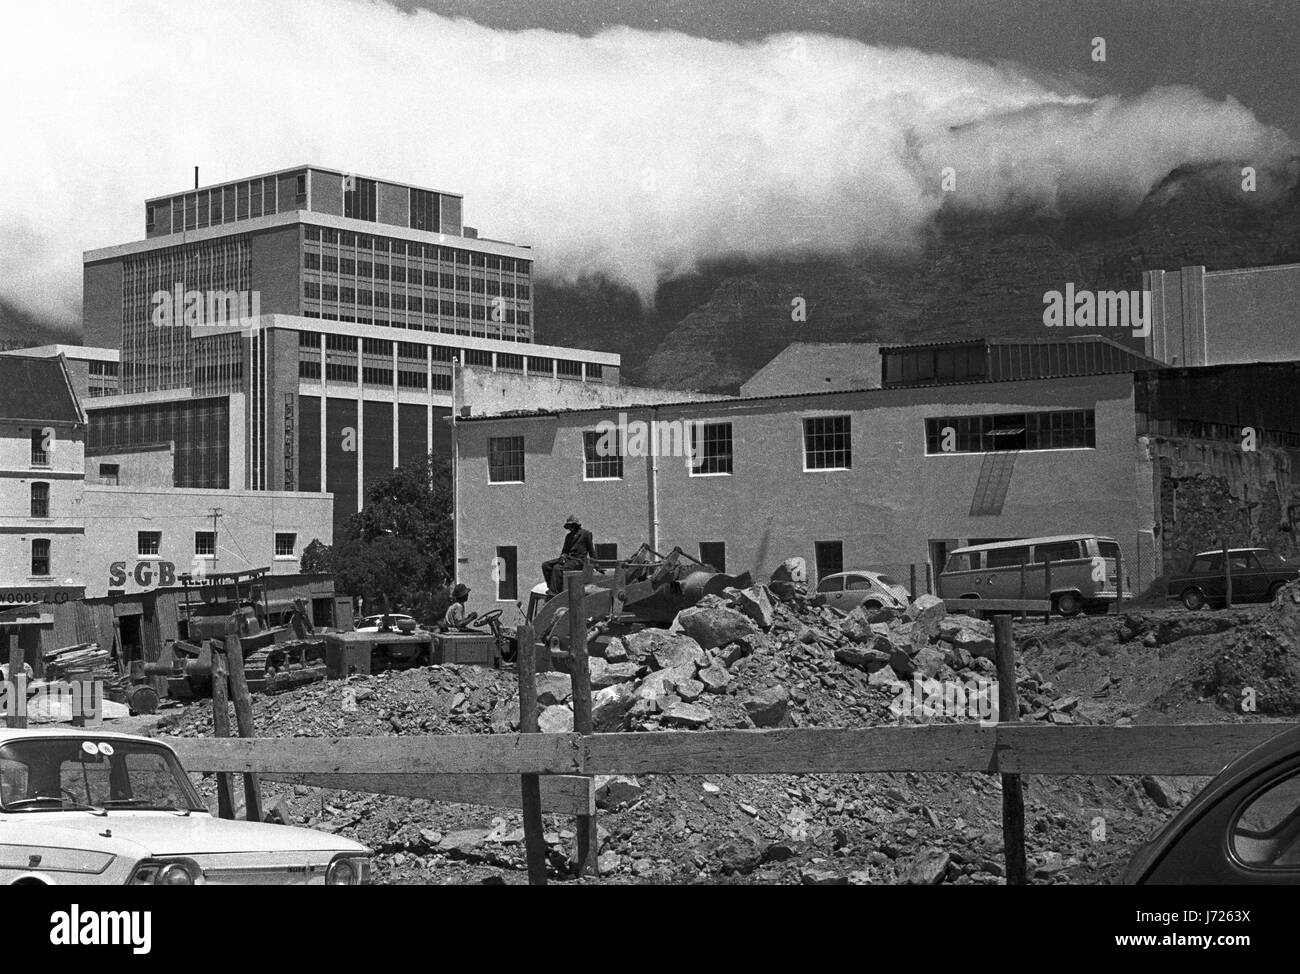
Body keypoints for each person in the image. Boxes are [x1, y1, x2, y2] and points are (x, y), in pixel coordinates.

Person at [541, 514, 596, 594]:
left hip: (579, 561)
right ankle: (552, 587)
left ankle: (554, 592)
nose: (570, 528)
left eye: (572, 525)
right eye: (569, 526)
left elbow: (591, 551)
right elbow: (565, 551)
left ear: (576, 525)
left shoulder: (586, 534)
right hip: (568, 559)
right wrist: (563, 557)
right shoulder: (568, 536)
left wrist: (595, 564)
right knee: (546, 565)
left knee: (557, 568)